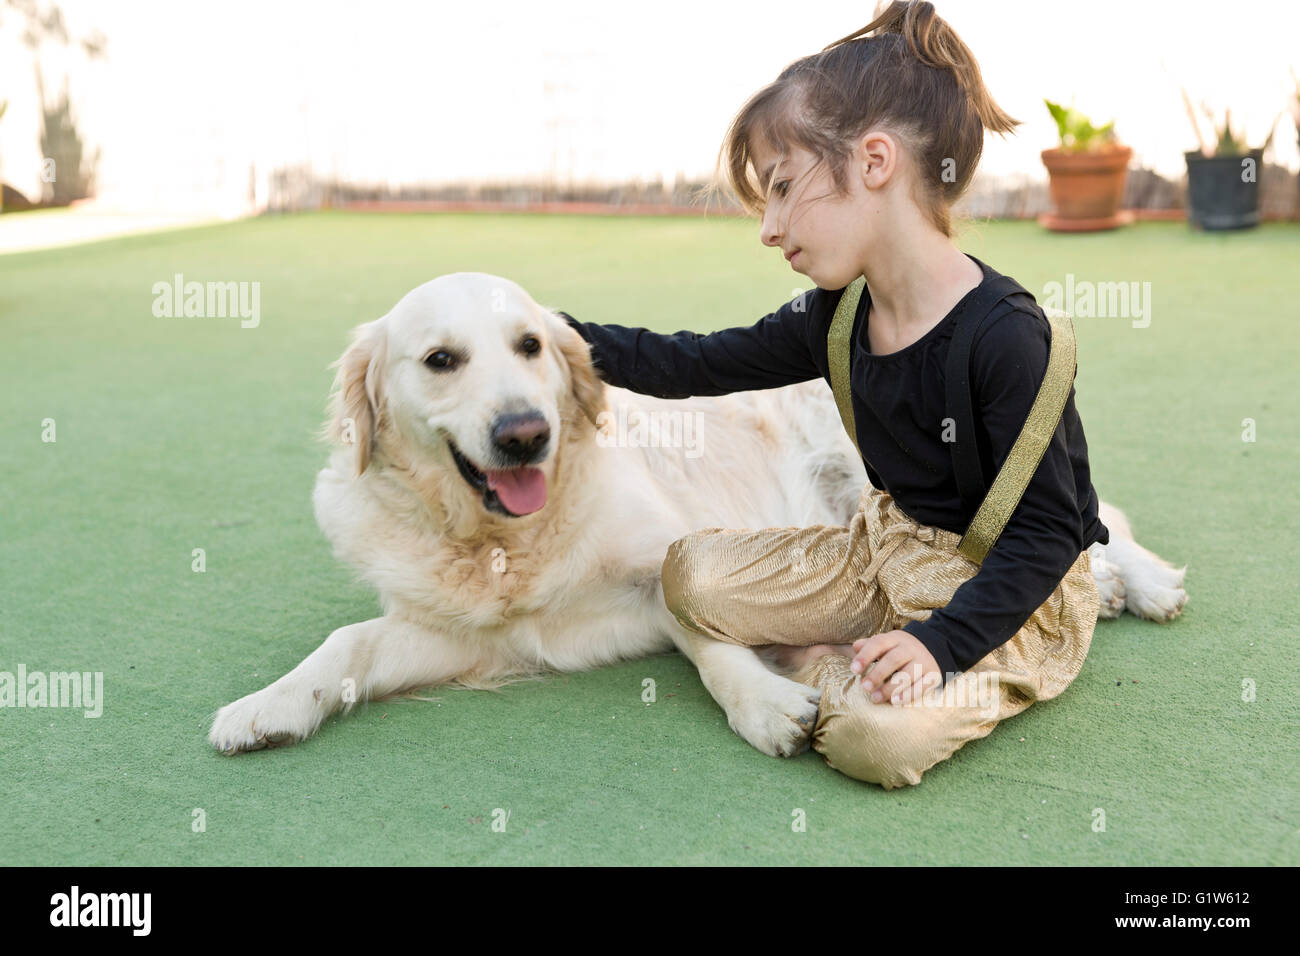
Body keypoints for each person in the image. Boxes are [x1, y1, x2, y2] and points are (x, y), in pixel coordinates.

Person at [559, 0, 1107, 789]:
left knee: (872, 743)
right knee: (688, 578)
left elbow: (1049, 536)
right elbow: (699, 364)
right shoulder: (838, 314)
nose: (769, 227)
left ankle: (870, 673)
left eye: (782, 188)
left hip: (1004, 592)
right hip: (882, 555)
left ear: (875, 161)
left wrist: (938, 645)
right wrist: (553, 333)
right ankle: (856, 653)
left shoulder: (1009, 337)